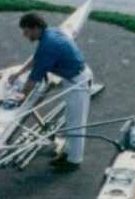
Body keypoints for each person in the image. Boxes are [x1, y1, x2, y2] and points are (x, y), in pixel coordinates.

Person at [16, 12, 93, 174]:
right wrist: (18, 73)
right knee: (71, 117)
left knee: (76, 122)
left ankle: (74, 161)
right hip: (72, 77)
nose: (24, 34)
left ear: (35, 28)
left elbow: (34, 77)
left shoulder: (49, 44)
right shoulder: (50, 33)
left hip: (77, 81)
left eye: (26, 31)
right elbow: (36, 59)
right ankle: (68, 154)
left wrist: (21, 95)